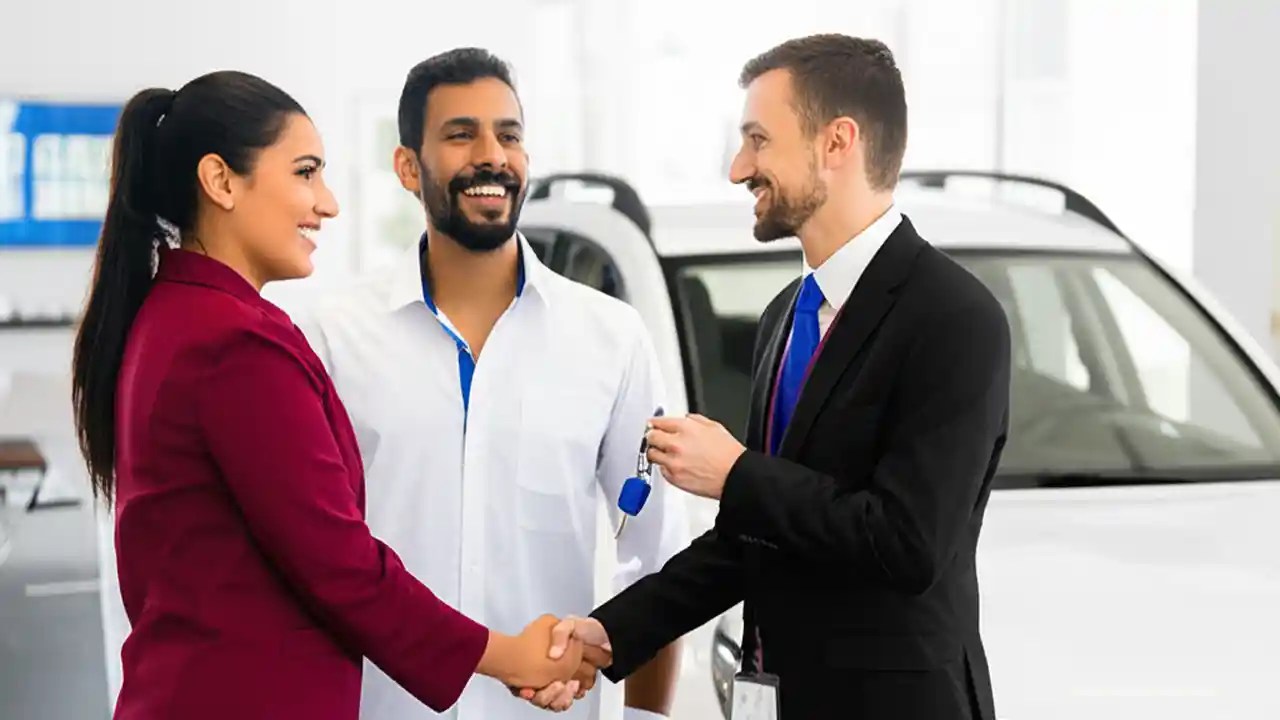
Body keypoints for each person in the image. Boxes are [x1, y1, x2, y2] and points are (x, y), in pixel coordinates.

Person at [71, 70, 582, 720]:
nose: (329, 203)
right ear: (221, 181)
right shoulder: (232, 345)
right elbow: (337, 564)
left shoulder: (174, 316)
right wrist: (508, 655)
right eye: (305, 172)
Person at [545, 34, 1011, 720]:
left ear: (837, 142)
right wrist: (611, 634)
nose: (739, 168)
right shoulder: (785, 317)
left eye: (758, 140)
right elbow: (755, 538)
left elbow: (907, 544)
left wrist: (736, 474)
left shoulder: (954, 317)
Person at [294, 49, 688, 720]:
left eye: (509, 135)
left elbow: (654, 561)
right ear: (408, 167)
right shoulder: (331, 337)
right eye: (461, 134)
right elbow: (309, 558)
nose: (493, 155)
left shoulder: (609, 338)